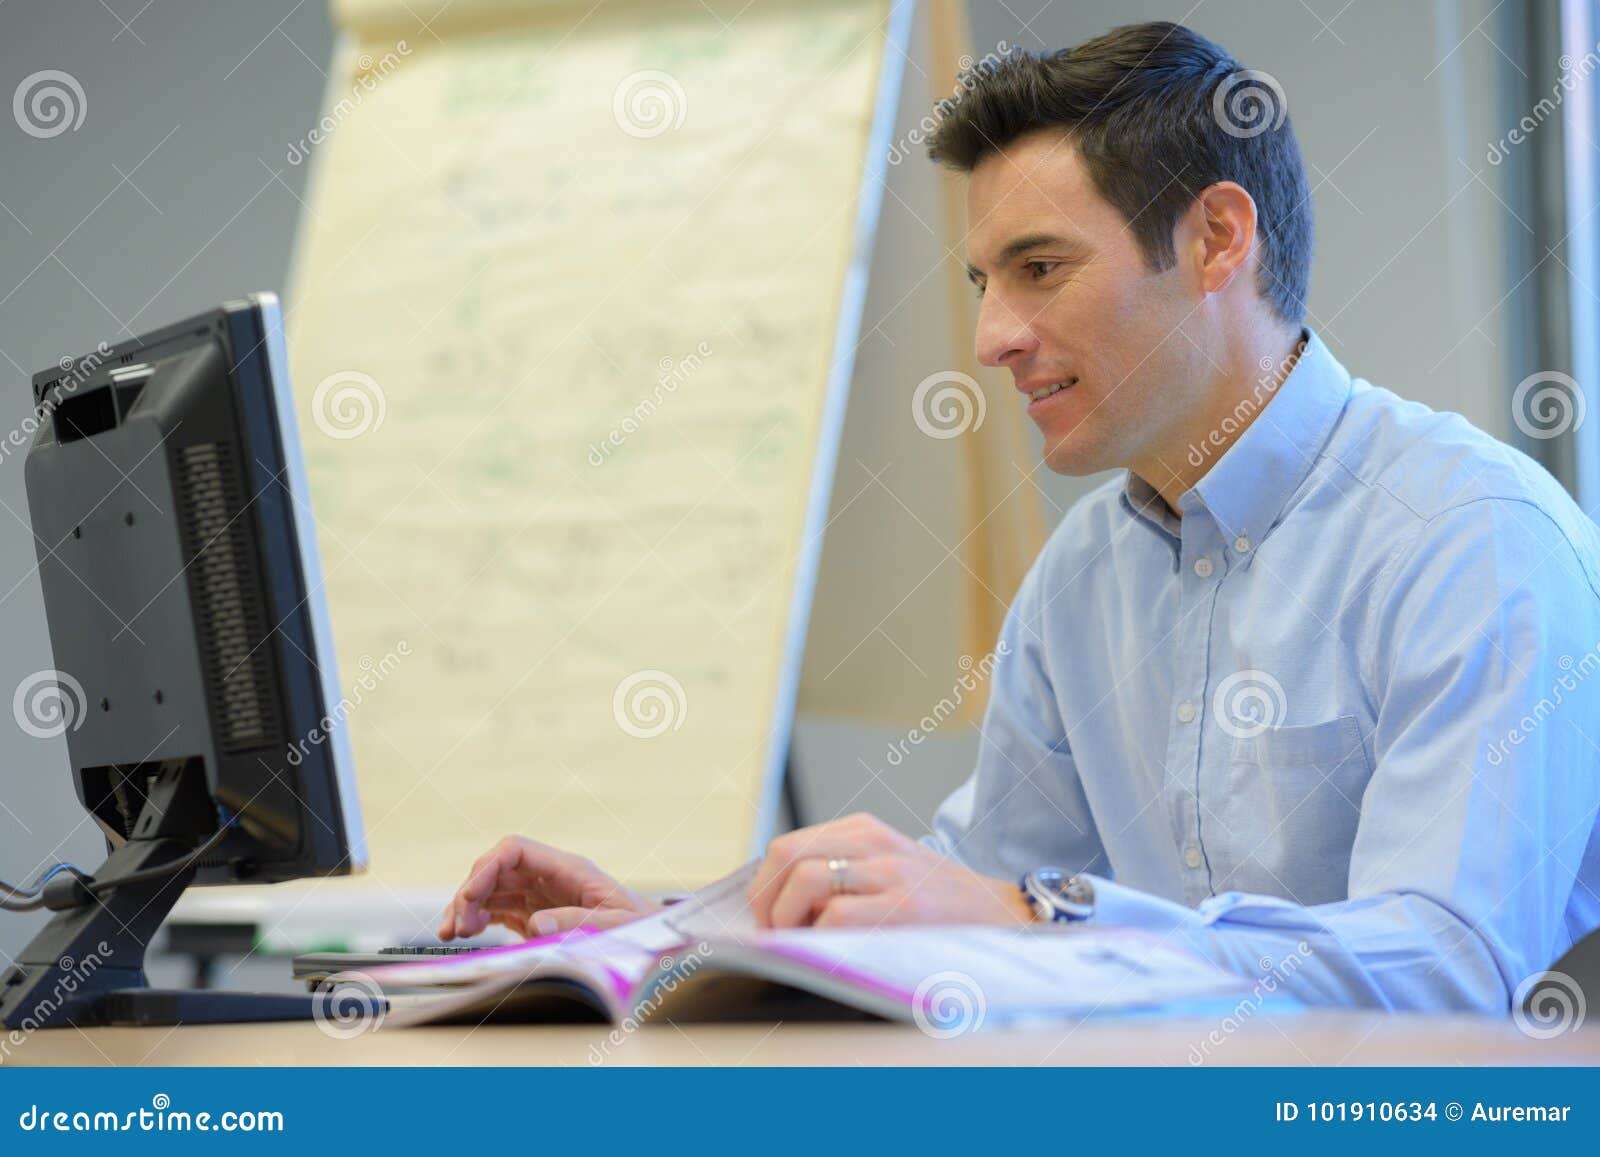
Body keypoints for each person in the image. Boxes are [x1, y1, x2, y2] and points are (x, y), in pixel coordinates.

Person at [437, 21, 1600, 1012]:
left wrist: (1037, 916)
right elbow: (969, 883)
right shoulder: (1084, 572)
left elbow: (1449, 968)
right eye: (982, 282)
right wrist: (673, 930)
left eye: (1039, 268)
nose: (992, 335)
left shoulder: (1474, 538)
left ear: (1216, 239)